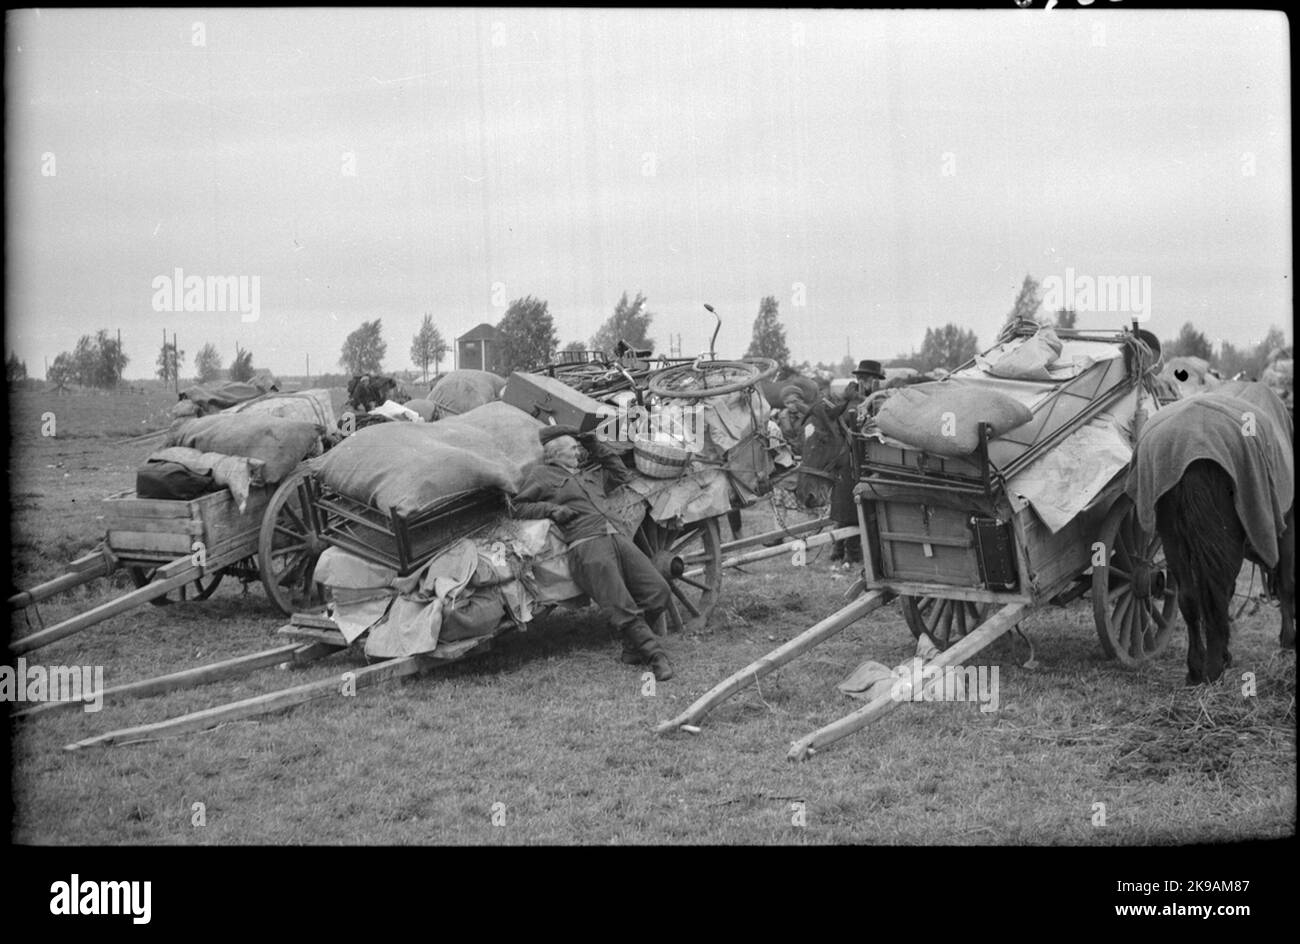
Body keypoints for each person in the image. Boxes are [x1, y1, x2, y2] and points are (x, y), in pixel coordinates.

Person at [511, 425, 675, 681]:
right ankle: (656, 657)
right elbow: (518, 507)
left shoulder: (588, 475)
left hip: (615, 536)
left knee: (658, 590)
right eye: (573, 448)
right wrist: (551, 510)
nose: (578, 452)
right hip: (586, 545)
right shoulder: (542, 475)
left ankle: (633, 648)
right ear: (554, 453)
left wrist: (594, 444)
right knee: (621, 604)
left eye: (578, 448)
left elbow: (620, 473)